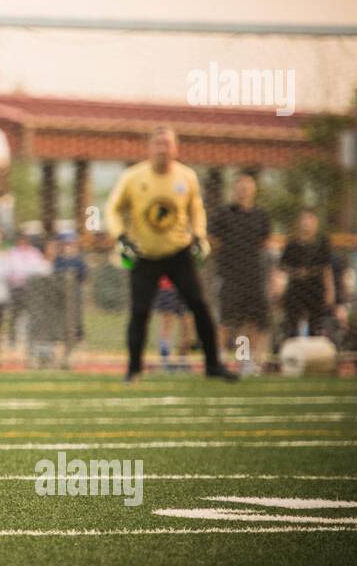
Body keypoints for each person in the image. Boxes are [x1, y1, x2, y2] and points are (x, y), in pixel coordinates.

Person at [104, 126, 237, 382]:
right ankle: (133, 370)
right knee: (139, 311)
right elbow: (113, 208)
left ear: (176, 148)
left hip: (179, 254)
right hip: (144, 256)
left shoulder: (187, 177)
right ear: (150, 147)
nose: (163, 149)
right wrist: (121, 236)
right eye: (158, 144)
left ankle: (213, 365)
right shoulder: (133, 177)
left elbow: (197, 209)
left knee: (199, 306)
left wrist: (198, 235)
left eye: (168, 144)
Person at [209, 172, 272, 375]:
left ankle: (244, 360)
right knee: (226, 320)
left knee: (250, 321)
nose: (243, 190)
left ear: (254, 190)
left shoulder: (260, 216)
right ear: (234, 190)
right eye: (240, 187)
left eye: (247, 187)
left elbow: (264, 243)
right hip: (229, 276)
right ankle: (217, 359)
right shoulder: (223, 214)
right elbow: (213, 240)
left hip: (252, 276)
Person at [278, 209, 335, 339]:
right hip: (296, 286)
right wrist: (280, 289)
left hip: (315, 286)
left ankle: (313, 354)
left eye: (310, 220)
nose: (307, 224)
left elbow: (326, 268)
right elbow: (283, 268)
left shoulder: (322, 243)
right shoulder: (292, 244)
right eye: (304, 220)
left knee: (316, 325)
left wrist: (330, 290)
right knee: (291, 325)